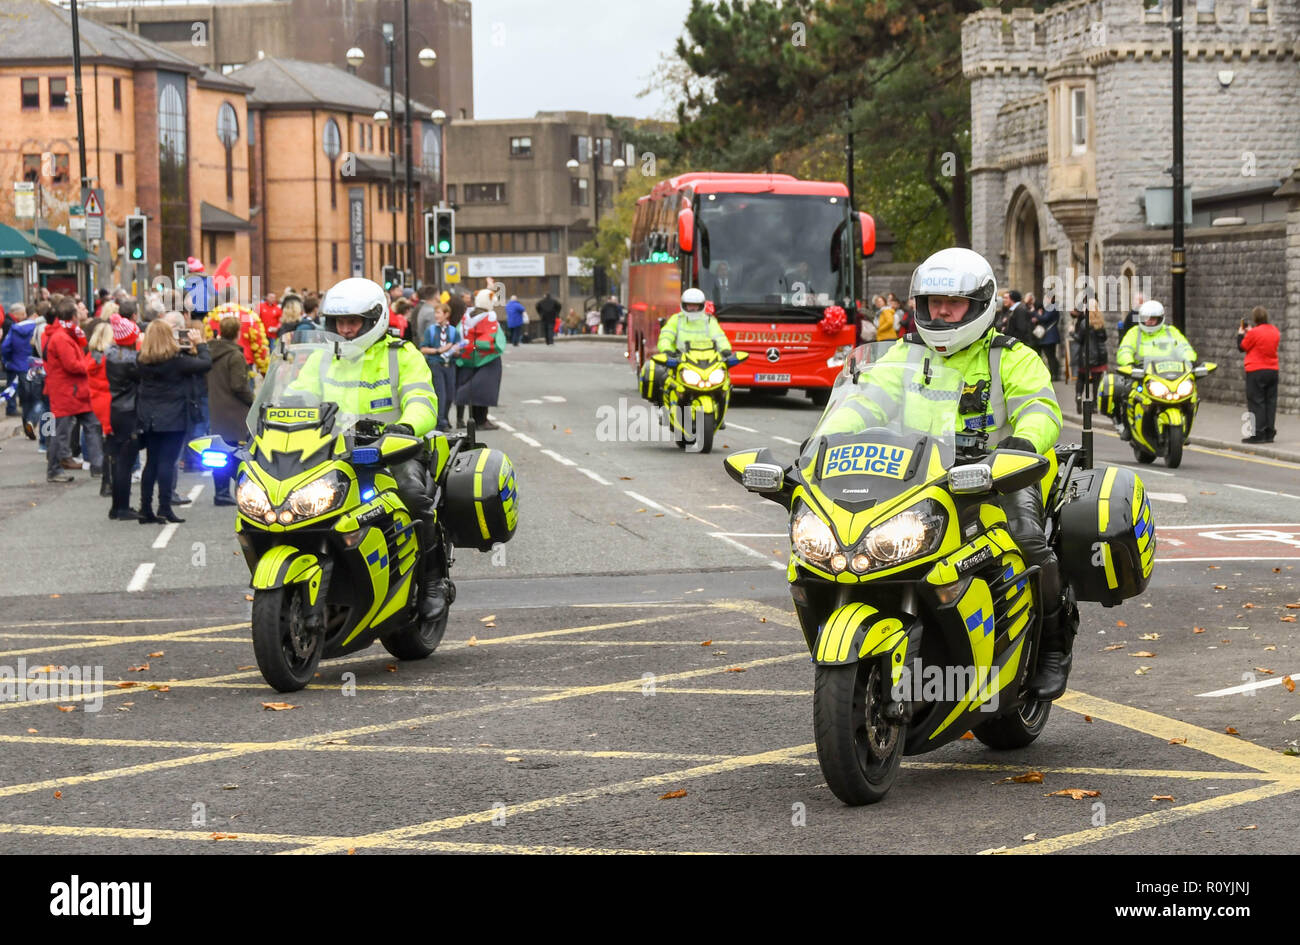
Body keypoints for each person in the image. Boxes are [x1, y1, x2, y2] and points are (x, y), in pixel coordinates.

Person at [817, 248, 1071, 701]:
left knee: (1027, 539)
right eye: (933, 302)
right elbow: (867, 400)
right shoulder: (904, 354)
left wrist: (1022, 443)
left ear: (980, 305)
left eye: (953, 302)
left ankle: (1053, 642)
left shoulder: (1011, 357)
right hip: (921, 475)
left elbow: (1039, 408)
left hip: (1000, 474)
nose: (941, 311)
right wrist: (824, 441)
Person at [298, 277, 447, 621]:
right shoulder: (321, 358)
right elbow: (297, 394)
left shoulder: (401, 355)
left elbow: (423, 400)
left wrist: (407, 426)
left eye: (353, 323)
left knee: (412, 496)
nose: (346, 330)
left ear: (372, 321)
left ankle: (430, 580)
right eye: (340, 323)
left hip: (390, 451)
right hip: (331, 451)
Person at [135, 319, 211, 523]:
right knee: (167, 463)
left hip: (149, 417)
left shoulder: (141, 360)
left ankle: (145, 507)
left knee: (151, 462)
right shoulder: (177, 362)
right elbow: (205, 364)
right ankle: (164, 507)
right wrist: (201, 343)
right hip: (173, 417)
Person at [1112, 299, 1196, 440]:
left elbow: (1184, 347)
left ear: (1161, 318)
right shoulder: (1134, 333)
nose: (1149, 321)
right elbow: (1124, 350)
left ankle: (1184, 427)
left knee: (1191, 395)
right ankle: (1127, 427)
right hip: (1142, 373)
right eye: (1146, 318)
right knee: (1128, 393)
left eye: (1153, 318)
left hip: (1169, 374)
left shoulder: (1171, 332)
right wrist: (1130, 363)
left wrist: (1190, 360)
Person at [42, 298, 104, 484]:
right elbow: (72, 366)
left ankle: (98, 466)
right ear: (73, 316)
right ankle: (54, 470)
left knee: (90, 426)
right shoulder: (62, 338)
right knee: (61, 432)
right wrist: (90, 363)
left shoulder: (65, 335)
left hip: (74, 391)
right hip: (68, 392)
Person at [206, 316, 254, 505]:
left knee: (219, 451)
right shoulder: (235, 355)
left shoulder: (210, 352)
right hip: (234, 409)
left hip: (217, 405)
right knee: (235, 451)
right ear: (237, 332)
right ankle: (227, 492)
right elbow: (239, 385)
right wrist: (253, 401)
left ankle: (221, 491)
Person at [105, 314, 142, 520]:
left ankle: (116, 506)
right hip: (129, 412)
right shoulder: (131, 360)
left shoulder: (111, 354)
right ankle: (122, 508)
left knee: (118, 460)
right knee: (125, 463)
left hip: (116, 410)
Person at [454, 288, 504, 430]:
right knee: (485, 389)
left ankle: (473, 419)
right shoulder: (489, 318)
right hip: (487, 357)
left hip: (468, 357)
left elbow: (459, 333)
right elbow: (496, 339)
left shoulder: (467, 316)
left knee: (472, 389)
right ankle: (482, 420)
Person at [657, 288, 738, 363]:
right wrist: (667, 350)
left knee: (724, 377)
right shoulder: (676, 319)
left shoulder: (709, 320)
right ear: (684, 305)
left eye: (695, 305)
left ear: (701, 306)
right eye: (689, 305)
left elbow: (720, 338)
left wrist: (726, 350)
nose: (692, 308)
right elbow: (665, 337)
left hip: (708, 362)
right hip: (681, 360)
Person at [1238, 305, 1279, 444]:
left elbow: (1242, 347)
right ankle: (1269, 432)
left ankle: (1258, 433)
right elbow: (1264, 341)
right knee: (1270, 402)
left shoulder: (1253, 333)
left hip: (1256, 370)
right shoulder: (1275, 331)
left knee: (1256, 402)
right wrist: (1251, 332)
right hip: (1273, 370)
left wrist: (1240, 334)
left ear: (1255, 318)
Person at [1, 303, 40, 439]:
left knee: (24, 399)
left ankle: (26, 422)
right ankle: (32, 421)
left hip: (16, 366)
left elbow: (5, 347)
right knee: (37, 398)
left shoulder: (15, 328)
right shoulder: (37, 328)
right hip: (34, 368)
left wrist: (8, 361)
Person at [85, 322, 115, 499]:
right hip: (110, 401)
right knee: (112, 445)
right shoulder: (109, 358)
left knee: (105, 445)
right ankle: (110, 482)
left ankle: (106, 482)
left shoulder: (92, 357)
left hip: (96, 401)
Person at [421, 303, 459, 433]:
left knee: (449, 396)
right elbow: (423, 348)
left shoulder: (453, 331)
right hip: (436, 364)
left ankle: (445, 418)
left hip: (450, 365)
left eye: (439, 313)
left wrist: (455, 350)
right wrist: (439, 350)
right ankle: (440, 423)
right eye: (435, 313)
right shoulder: (431, 330)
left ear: (446, 314)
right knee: (441, 394)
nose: (436, 316)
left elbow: (459, 349)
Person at [1070, 302, 1108, 414]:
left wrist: (1072, 332)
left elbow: (1079, 339)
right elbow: (1104, 338)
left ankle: (1078, 396)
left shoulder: (1084, 323)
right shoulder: (1101, 323)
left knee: (1081, 378)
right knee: (1096, 381)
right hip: (1100, 357)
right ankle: (1094, 404)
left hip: (1085, 356)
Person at [1030, 293, 1061, 381]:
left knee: (1050, 356)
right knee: (1051, 356)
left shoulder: (1052, 307)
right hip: (1049, 336)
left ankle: (1054, 374)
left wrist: (1034, 313)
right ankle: (1054, 374)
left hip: (1050, 336)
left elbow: (1044, 318)